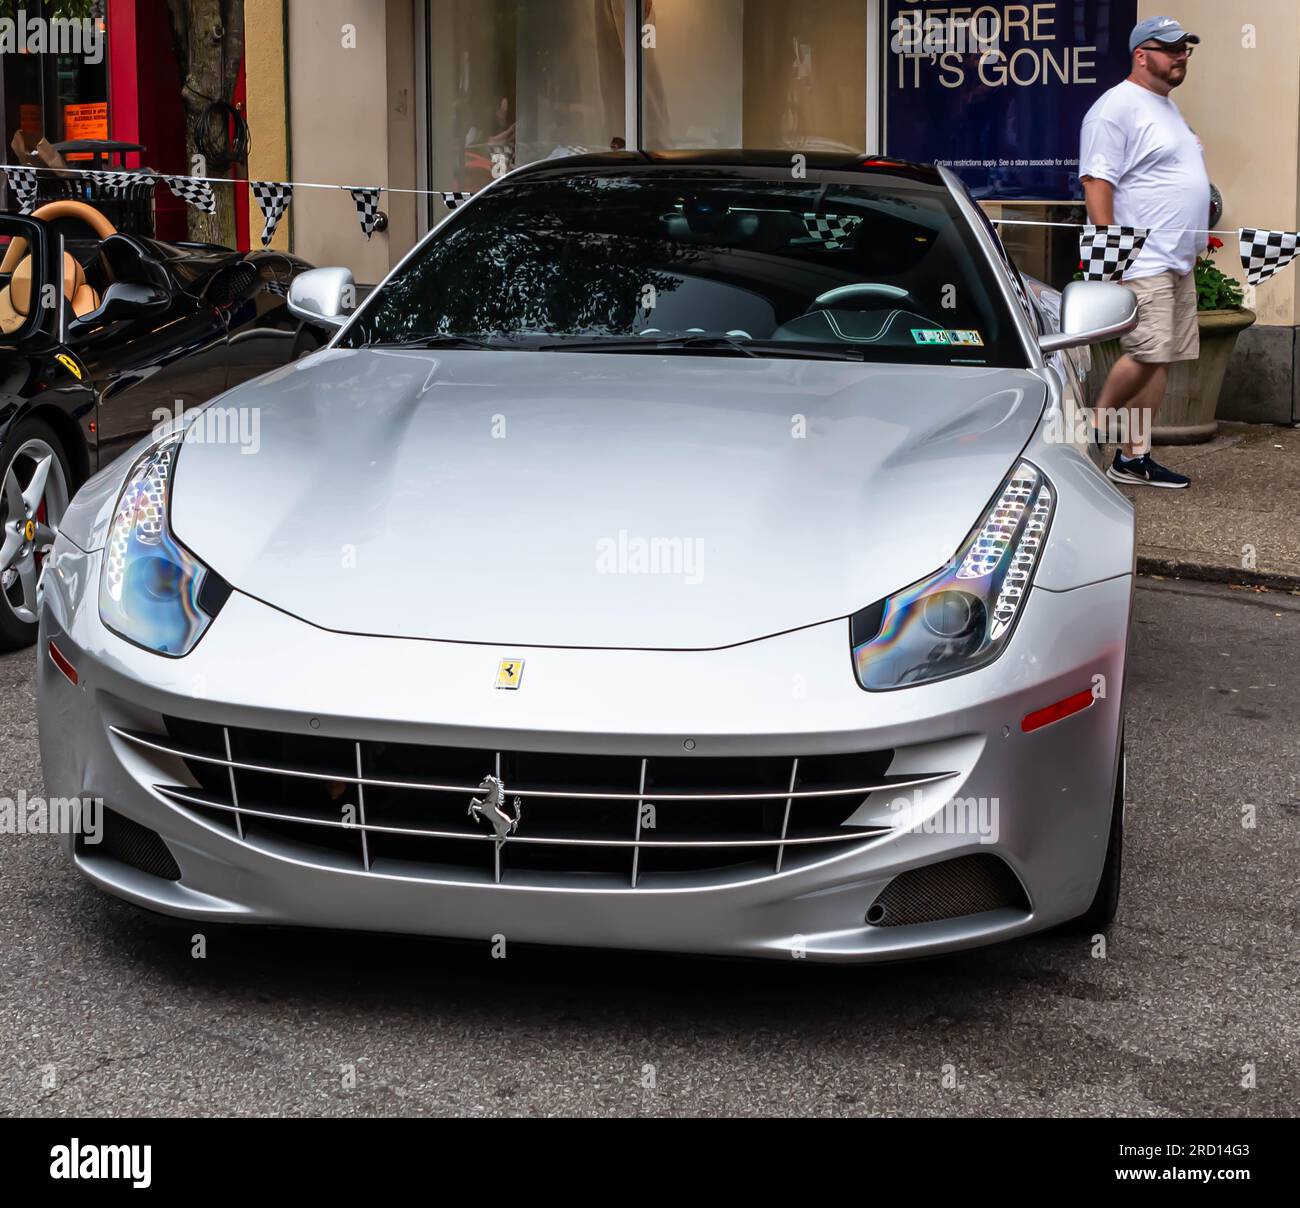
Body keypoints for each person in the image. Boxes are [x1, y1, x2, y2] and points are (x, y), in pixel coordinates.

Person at [1079, 15, 1208, 489]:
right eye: (1171, 47)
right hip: (1142, 257)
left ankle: (1133, 458)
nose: (1181, 56)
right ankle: (1084, 433)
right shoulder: (1116, 107)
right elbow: (1097, 181)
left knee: (1161, 355)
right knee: (1146, 353)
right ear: (1140, 54)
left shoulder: (1166, 107)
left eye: (1186, 48)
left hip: (1175, 258)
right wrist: (1110, 252)